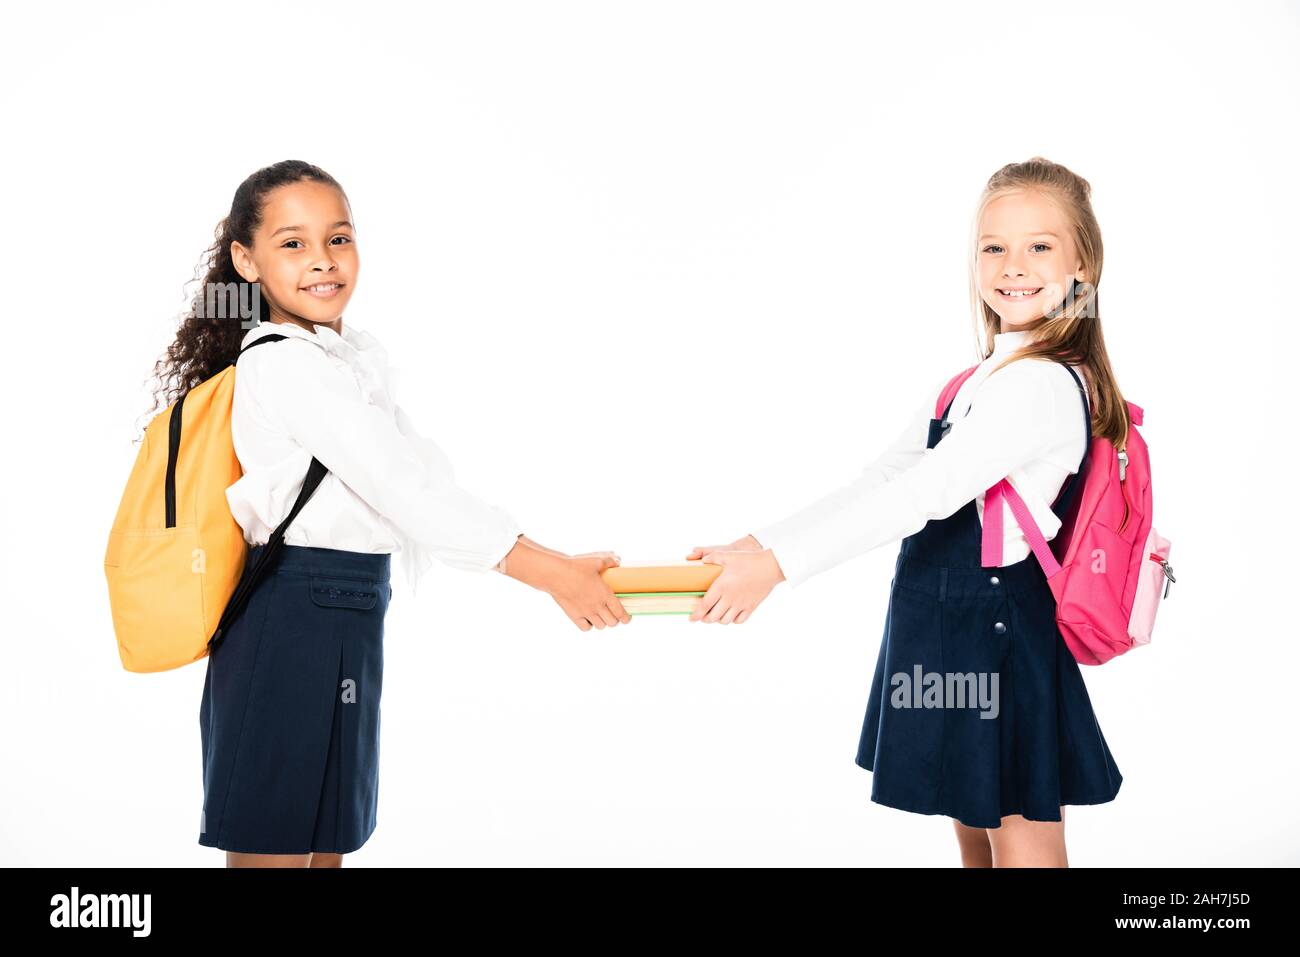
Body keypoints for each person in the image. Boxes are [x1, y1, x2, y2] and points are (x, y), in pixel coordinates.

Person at [140, 159, 631, 868]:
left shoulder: (344, 360)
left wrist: (552, 556)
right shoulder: (286, 365)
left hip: (350, 610)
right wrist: (551, 573)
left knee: (328, 842)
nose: (322, 261)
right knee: (275, 847)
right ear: (246, 260)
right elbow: (405, 490)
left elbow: (425, 478)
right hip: (290, 618)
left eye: (338, 239)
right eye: (293, 243)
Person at [684, 157, 1128, 867]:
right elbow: (883, 477)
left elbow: (923, 496)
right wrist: (756, 545)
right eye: (994, 246)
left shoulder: (1039, 386)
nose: (1013, 264)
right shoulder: (976, 377)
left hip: (998, 632)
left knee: (1018, 833)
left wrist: (776, 568)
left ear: (1083, 266)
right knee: (974, 826)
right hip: (947, 625)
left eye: (1039, 246)